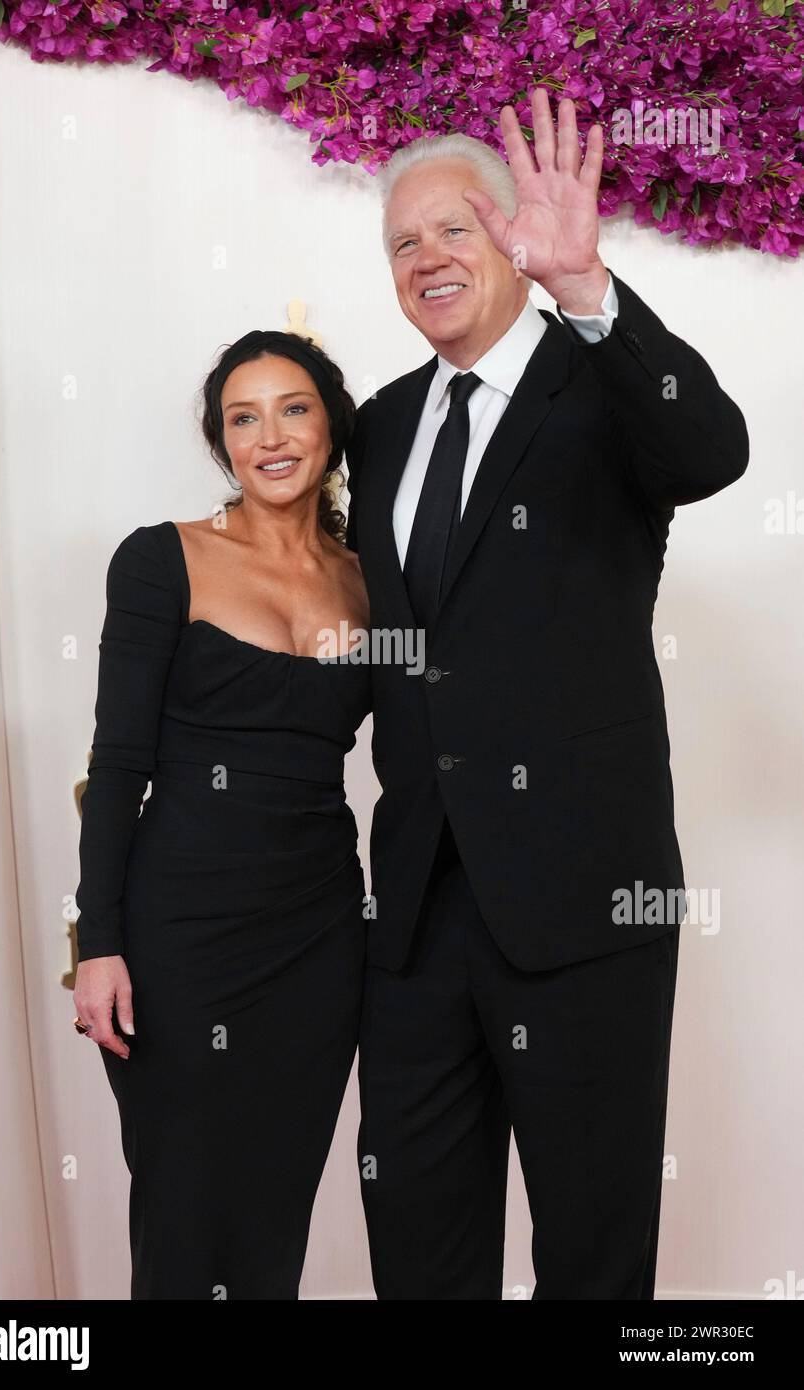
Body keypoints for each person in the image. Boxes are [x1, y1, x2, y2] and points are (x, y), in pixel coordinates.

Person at [345, 89, 749, 1299]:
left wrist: (589, 294)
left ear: (515, 232)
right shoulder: (379, 426)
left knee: (590, 1250)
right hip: (414, 909)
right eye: (401, 244)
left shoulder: (601, 388)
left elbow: (709, 451)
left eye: (452, 230)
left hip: (583, 903)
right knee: (418, 1252)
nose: (425, 259)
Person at [73, 331, 371, 1299]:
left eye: (292, 408)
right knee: (184, 1210)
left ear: (329, 423)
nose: (268, 436)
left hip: (319, 939)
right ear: (221, 443)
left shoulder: (372, 582)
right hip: (180, 935)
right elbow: (117, 762)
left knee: (272, 1211)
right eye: (241, 418)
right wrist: (99, 943)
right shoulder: (163, 560)